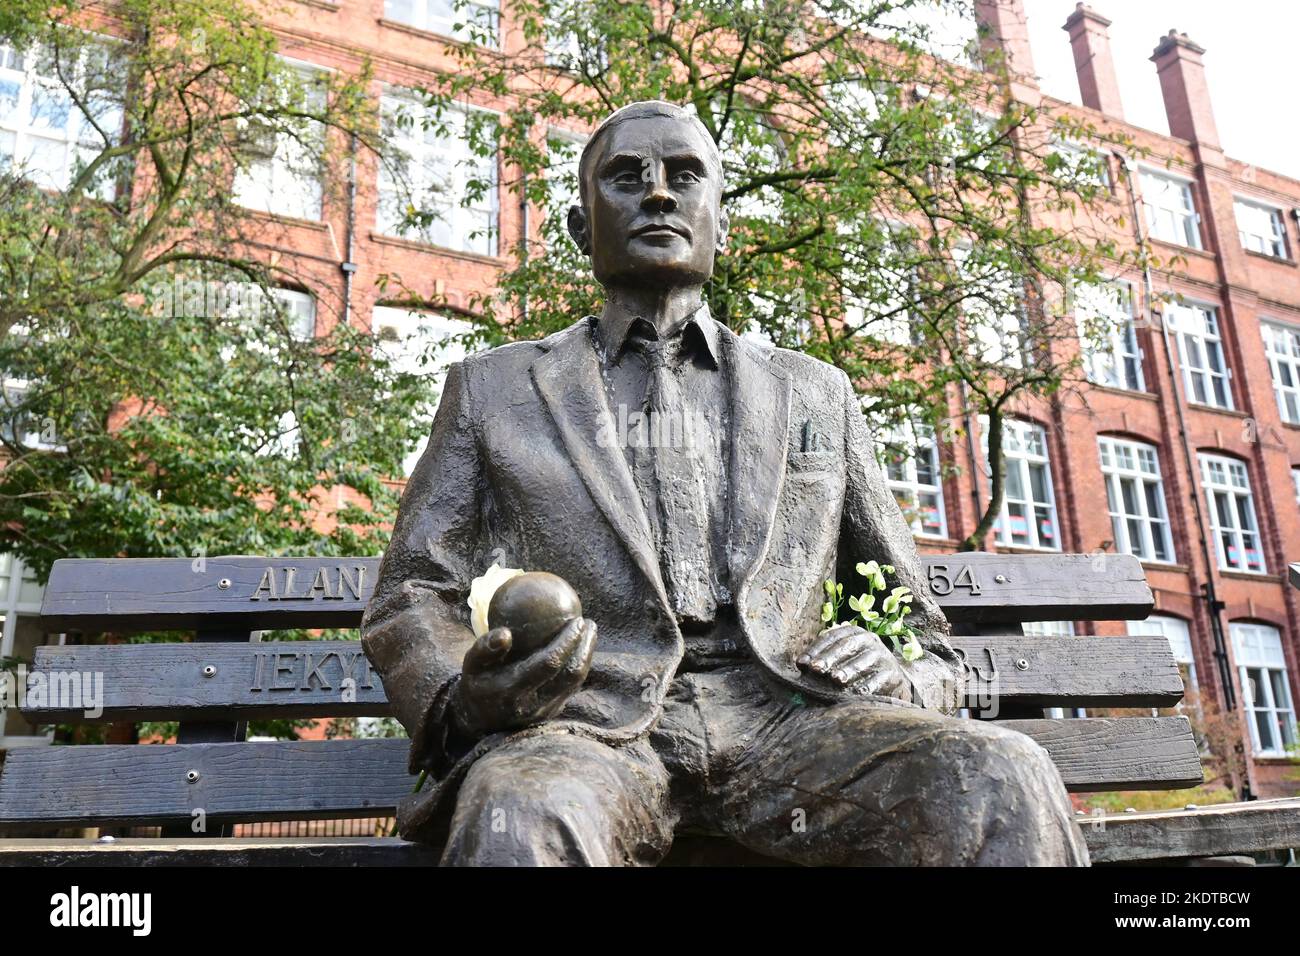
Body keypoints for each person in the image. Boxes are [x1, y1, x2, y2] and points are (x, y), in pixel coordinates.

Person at [361, 100, 1088, 866]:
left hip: (795, 719)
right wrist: (465, 700)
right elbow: (412, 591)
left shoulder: (817, 394)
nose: (659, 194)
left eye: (684, 176)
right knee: (518, 808)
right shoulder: (493, 390)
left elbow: (922, 631)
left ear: (723, 224)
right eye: (625, 178)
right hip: (586, 726)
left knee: (1001, 773)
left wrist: (900, 667)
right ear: (582, 230)